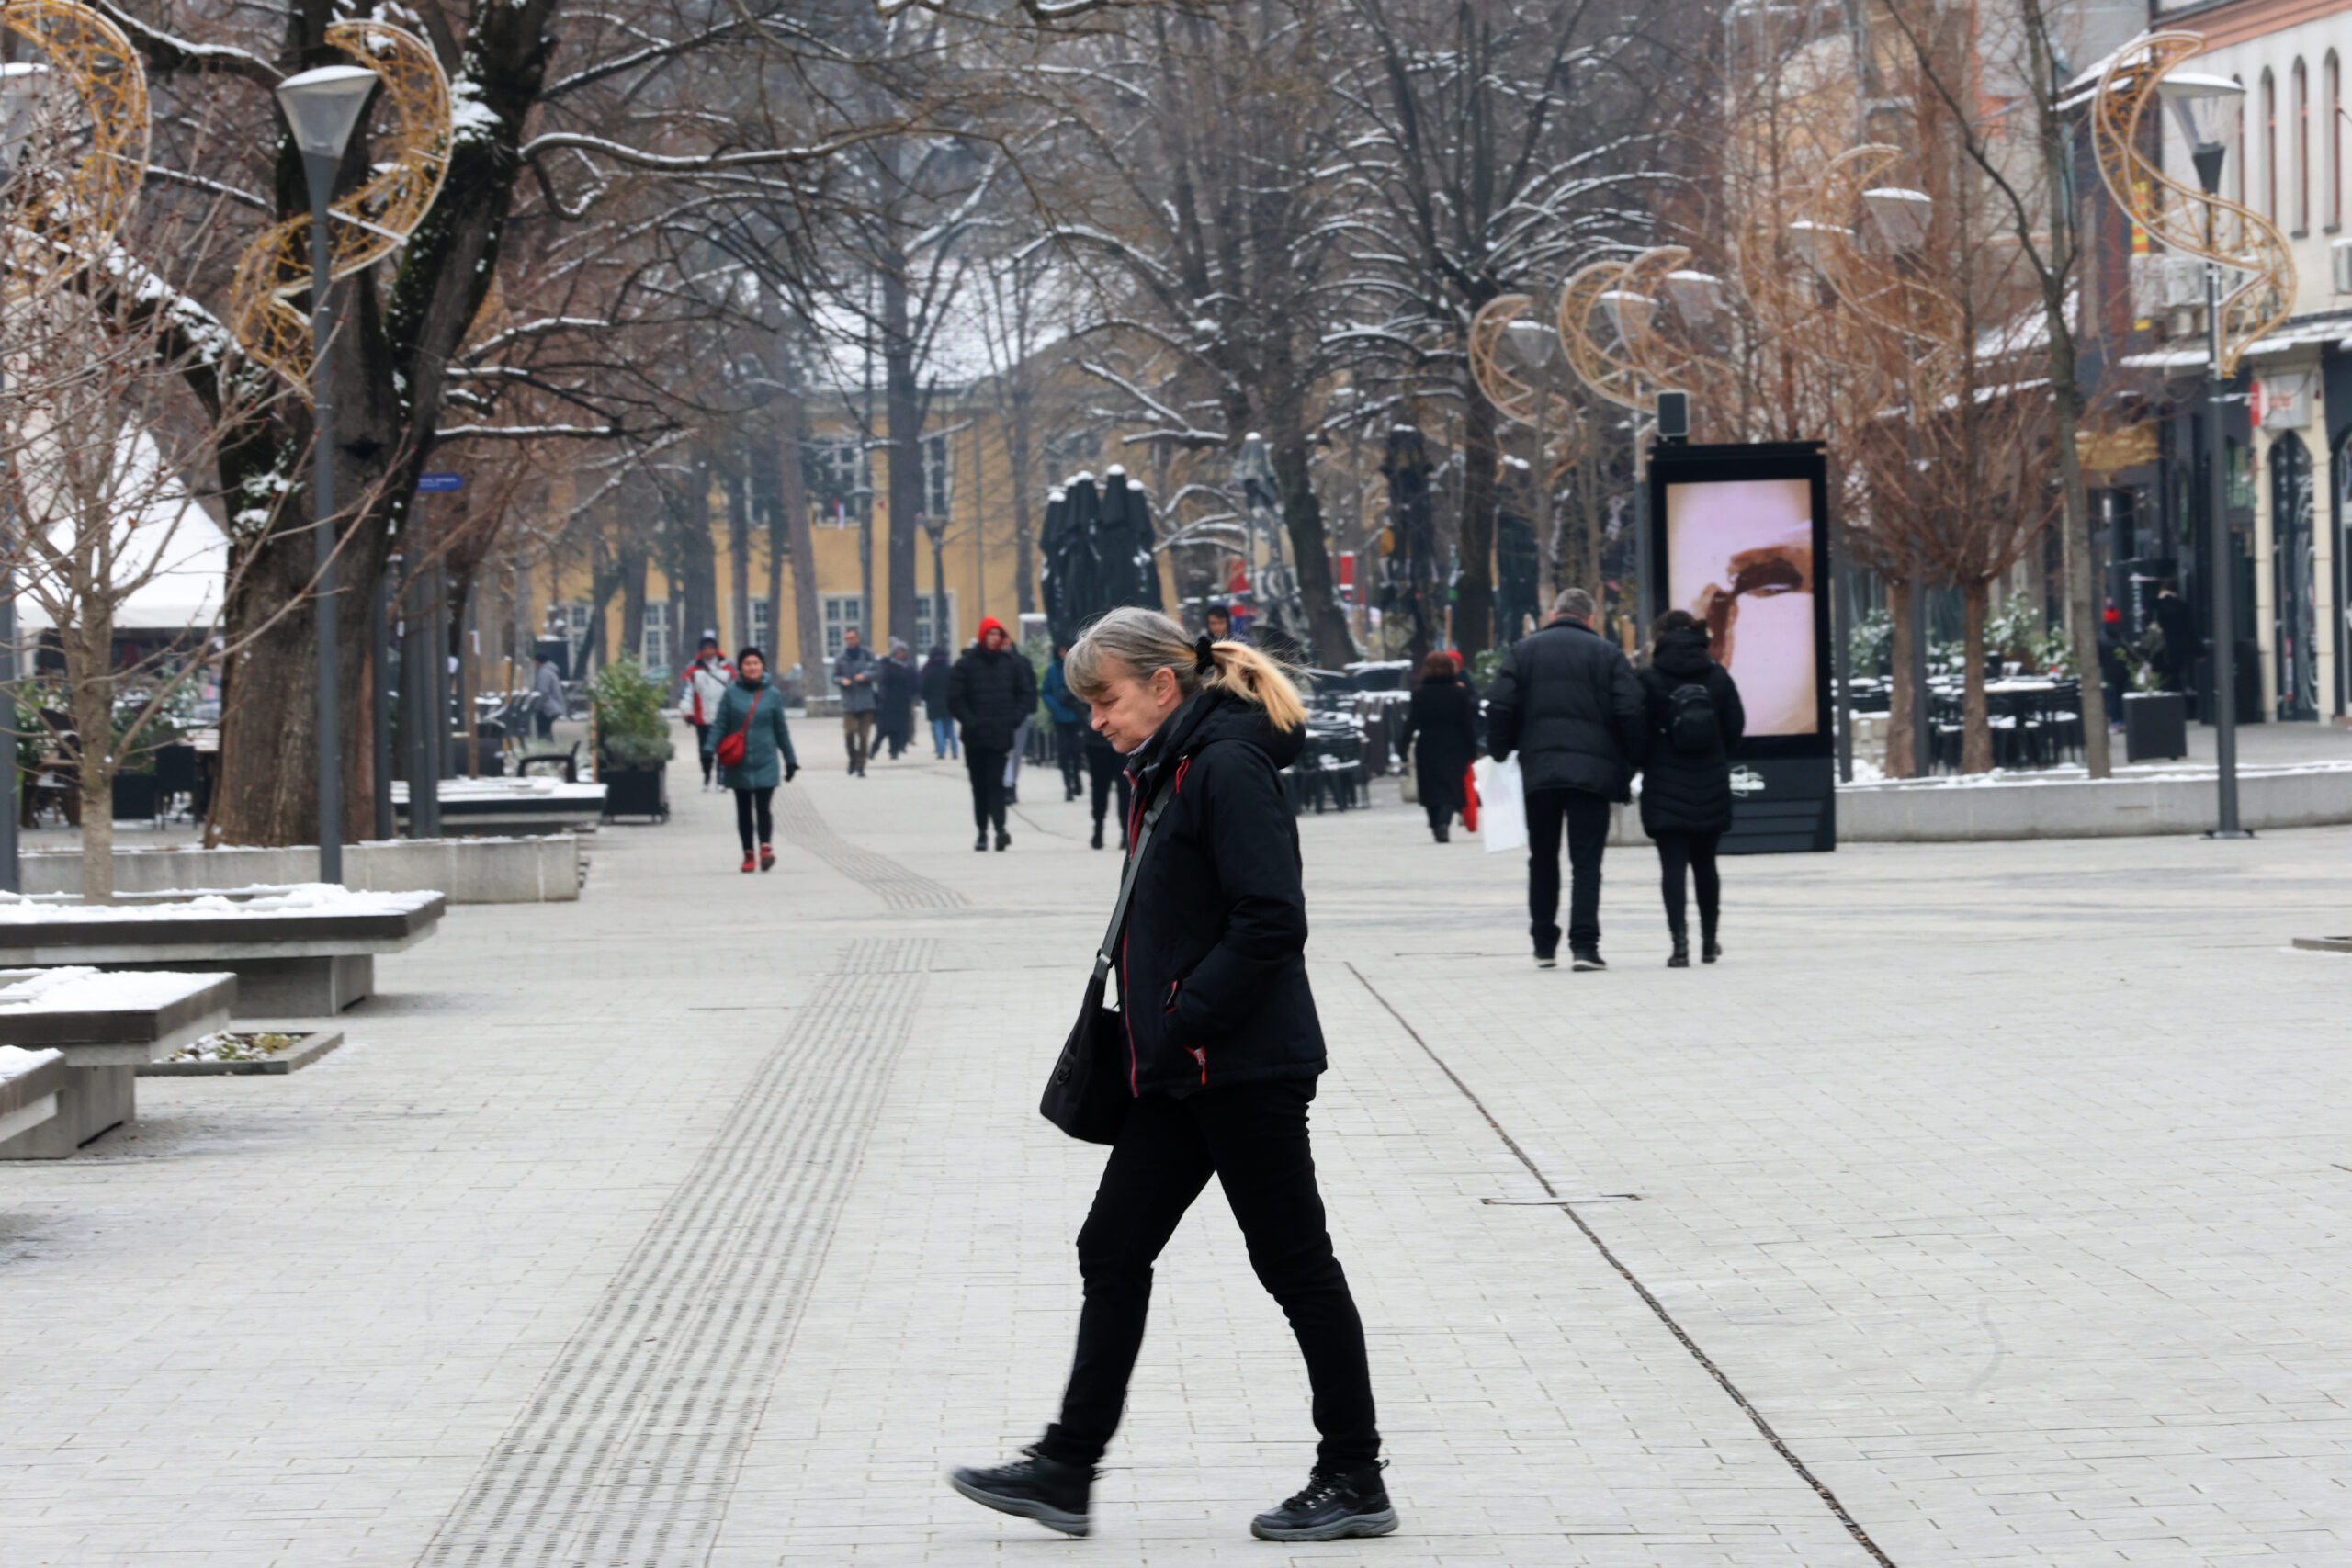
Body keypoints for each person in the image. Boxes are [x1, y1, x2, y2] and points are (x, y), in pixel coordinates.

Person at [949, 607, 1392, 1545]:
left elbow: (1272, 918)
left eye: (1105, 700)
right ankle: (1066, 1467)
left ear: (1162, 686)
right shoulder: (1173, 766)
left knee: (1295, 1265)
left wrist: (1186, 1013)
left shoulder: (1225, 766)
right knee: (1111, 1247)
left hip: (1242, 1066)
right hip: (1187, 1069)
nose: (1095, 721)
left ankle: (1354, 1474)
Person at [1484, 585, 1645, 971]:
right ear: (1590, 618)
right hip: (1592, 773)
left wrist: (1501, 751)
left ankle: (1543, 944)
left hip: (1539, 772)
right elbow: (1630, 711)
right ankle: (1584, 946)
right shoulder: (1608, 654)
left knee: (1542, 858)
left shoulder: (1523, 652)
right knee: (1586, 862)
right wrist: (1630, 763)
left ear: (1554, 614)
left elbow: (1500, 705)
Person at [1635, 609, 1745, 967]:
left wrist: (1650, 759)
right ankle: (1709, 942)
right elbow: (1735, 727)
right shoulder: (1718, 676)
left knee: (1672, 867)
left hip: (1665, 783)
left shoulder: (1649, 679)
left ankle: (1679, 946)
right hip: (1709, 780)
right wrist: (1715, 753)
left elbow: (1636, 730)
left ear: (1660, 637)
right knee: (1706, 865)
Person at [948, 616, 1035, 850]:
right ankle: (981, 832)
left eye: (998, 634)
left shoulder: (1011, 663)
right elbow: (955, 698)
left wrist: (1014, 719)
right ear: (983, 636)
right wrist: (970, 721)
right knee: (979, 785)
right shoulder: (966, 664)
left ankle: (1000, 829)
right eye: (991, 634)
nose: (995, 639)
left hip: (1000, 734)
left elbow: (1025, 694)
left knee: (996, 783)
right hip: (975, 737)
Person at [712, 647, 798, 874]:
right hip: (738, 760)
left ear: (763, 666)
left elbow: (781, 730)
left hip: (765, 759)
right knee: (743, 809)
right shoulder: (731, 693)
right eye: (747, 663)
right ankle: (748, 853)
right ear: (741, 667)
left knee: (763, 807)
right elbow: (720, 724)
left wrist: (790, 760)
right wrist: (708, 749)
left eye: (756, 663)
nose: (752, 667)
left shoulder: (772, 694)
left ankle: (765, 848)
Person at [1396, 650, 1479, 842]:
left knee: (1430, 788)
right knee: (1451, 788)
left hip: (1428, 745)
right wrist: (1471, 749)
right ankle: (1444, 821)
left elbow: (1411, 722)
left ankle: (1435, 823)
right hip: (1455, 746)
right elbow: (1466, 724)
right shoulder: (1459, 693)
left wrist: (1403, 746)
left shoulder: (1420, 694)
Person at [682, 636, 733, 790]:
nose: (709, 652)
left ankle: (721, 779)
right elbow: (688, 693)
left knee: (722, 748)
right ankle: (707, 775)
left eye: (711, 649)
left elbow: (734, 691)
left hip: (722, 717)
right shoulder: (693, 671)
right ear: (701, 651)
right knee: (705, 751)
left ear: (716, 650)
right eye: (706, 649)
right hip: (702, 717)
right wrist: (686, 710)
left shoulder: (727, 669)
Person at [1041, 644, 1086, 801]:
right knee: (1064, 752)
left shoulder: (1076, 669)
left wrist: (1079, 706)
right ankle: (1068, 786)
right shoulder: (1052, 670)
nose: (1063, 654)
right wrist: (1055, 708)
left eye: (1065, 650)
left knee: (1076, 751)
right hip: (1060, 718)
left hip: (1076, 717)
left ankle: (1077, 777)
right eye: (1061, 651)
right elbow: (1045, 692)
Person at [832, 627, 877, 776]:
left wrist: (866, 676)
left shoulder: (867, 655)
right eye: (847, 639)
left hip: (866, 702)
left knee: (864, 736)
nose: (850, 641)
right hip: (849, 703)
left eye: (852, 638)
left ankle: (861, 765)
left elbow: (877, 671)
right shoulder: (840, 657)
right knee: (849, 733)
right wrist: (842, 680)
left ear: (858, 639)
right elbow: (834, 677)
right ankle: (852, 758)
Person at [1081, 725, 1131, 851]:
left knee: (1125, 789)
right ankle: (1098, 826)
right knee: (1099, 788)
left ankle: (1126, 831)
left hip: (1123, 740)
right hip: (1097, 742)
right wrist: (1087, 722)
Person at [2153, 579, 2199, 698]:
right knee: (2176, 679)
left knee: (2161, 681)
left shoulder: (2157, 605)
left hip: (2161, 649)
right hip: (2178, 649)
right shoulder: (2182, 606)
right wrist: (2199, 651)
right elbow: (2190, 629)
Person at [876, 637, 919, 761]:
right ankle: (891, 748)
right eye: (899, 651)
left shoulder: (908, 666)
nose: (901, 654)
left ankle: (902, 744)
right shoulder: (887, 664)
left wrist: (913, 694)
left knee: (905, 722)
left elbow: (915, 682)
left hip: (905, 699)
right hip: (890, 700)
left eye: (903, 651)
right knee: (890, 726)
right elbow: (882, 681)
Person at [920, 644, 957, 759]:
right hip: (950, 703)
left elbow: (923, 688)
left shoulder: (929, 671)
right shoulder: (950, 670)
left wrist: (925, 697)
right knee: (950, 728)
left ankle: (941, 751)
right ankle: (955, 751)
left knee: (938, 727)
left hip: (934, 703)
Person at [530, 653, 566, 741]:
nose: (534, 664)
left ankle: (546, 746)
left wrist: (538, 706)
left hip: (546, 708)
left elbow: (543, 691)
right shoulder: (550, 672)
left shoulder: (544, 673)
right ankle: (548, 745)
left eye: (535, 661)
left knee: (544, 730)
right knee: (547, 729)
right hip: (552, 706)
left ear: (538, 661)